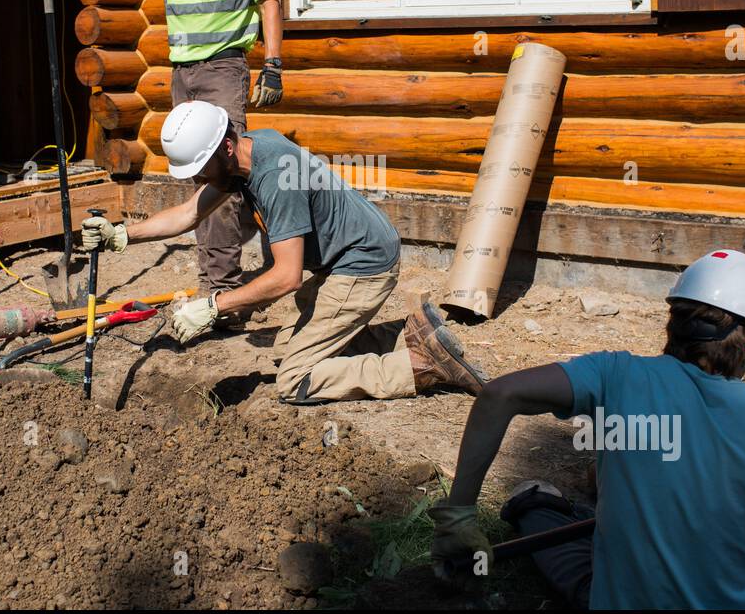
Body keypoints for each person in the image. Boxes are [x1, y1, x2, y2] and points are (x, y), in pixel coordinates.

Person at [428, 249, 745, 609]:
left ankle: (535, 503)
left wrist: (459, 516)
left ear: (674, 321)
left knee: (575, 544)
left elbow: (498, 395)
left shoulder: (617, 376)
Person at [79, 100, 491, 404]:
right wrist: (122, 235)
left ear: (224, 147)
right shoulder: (244, 153)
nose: (199, 179)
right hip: (344, 259)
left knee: (294, 379)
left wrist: (214, 306)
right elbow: (189, 213)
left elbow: (286, 277)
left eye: (200, 168)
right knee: (281, 349)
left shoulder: (275, 177)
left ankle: (420, 368)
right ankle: (406, 333)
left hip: (363, 265)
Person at [30, 0, 283, 316]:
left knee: (223, 176)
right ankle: (213, 282)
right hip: (183, 75)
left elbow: (268, 3)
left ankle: (221, 291)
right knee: (198, 174)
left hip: (224, 70)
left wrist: (274, 65)